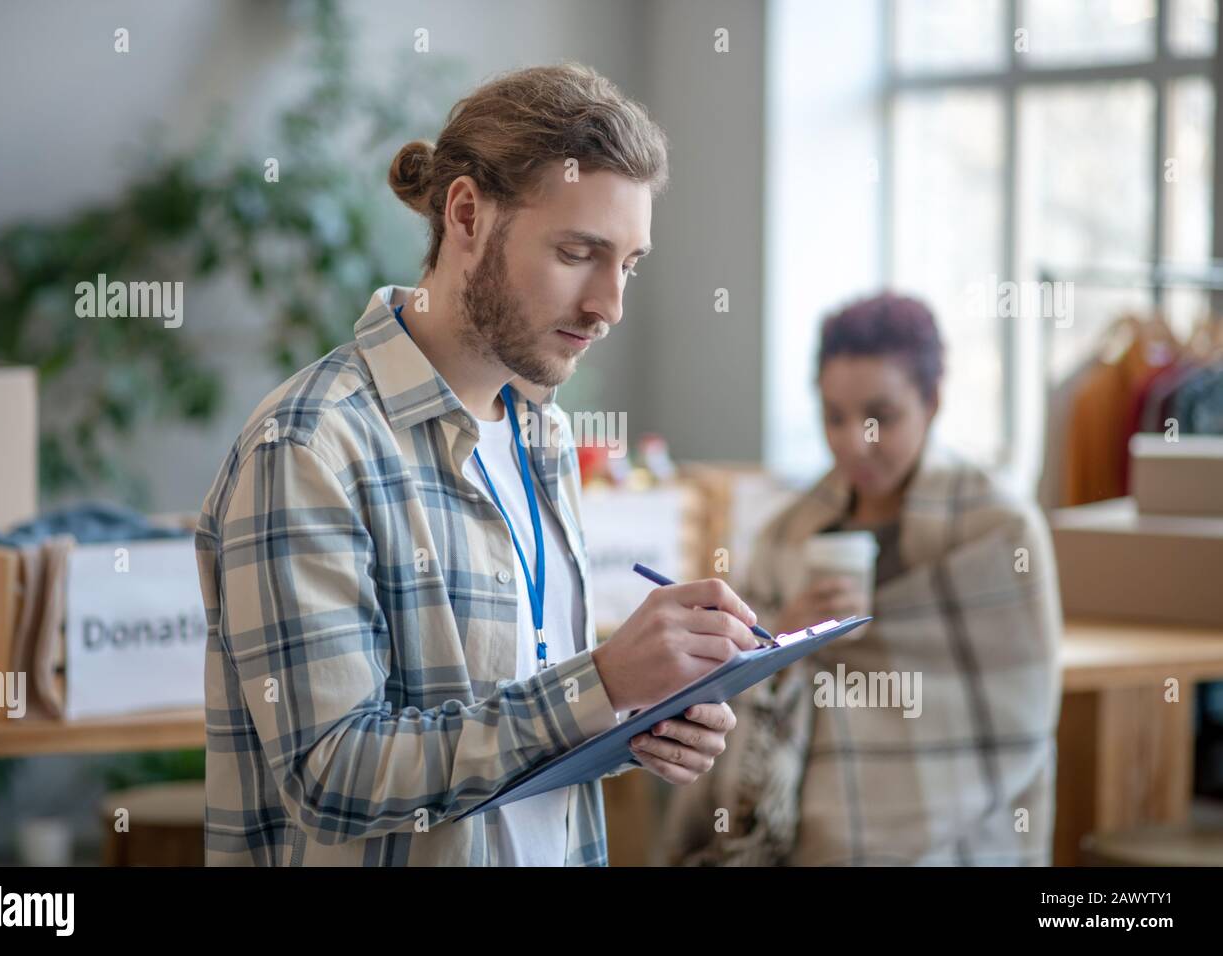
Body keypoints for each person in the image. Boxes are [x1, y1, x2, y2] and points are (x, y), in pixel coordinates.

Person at [195, 63, 757, 867]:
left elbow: (513, 713)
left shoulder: (540, 434)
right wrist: (596, 683)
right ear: (466, 214)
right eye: (577, 252)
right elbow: (332, 775)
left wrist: (635, 716)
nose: (610, 306)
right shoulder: (311, 446)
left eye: (628, 264)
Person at [660, 293, 1063, 866]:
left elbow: (1015, 718)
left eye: (882, 417)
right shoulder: (787, 535)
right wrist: (783, 643)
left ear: (933, 401)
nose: (855, 442)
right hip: (806, 833)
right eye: (835, 418)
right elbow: (729, 694)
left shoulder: (998, 532)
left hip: (959, 841)